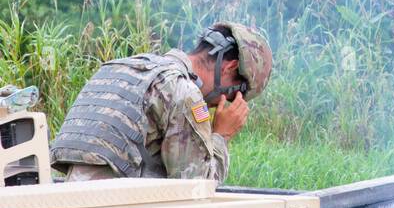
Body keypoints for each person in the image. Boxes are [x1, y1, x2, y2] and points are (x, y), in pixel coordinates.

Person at [50, 22, 272, 185]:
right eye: (237, 93)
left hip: (73, 201)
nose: (226, 103)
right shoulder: (184, 92)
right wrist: (221, 136)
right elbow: (196, 188)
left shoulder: (121, 68)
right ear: (229, 68)